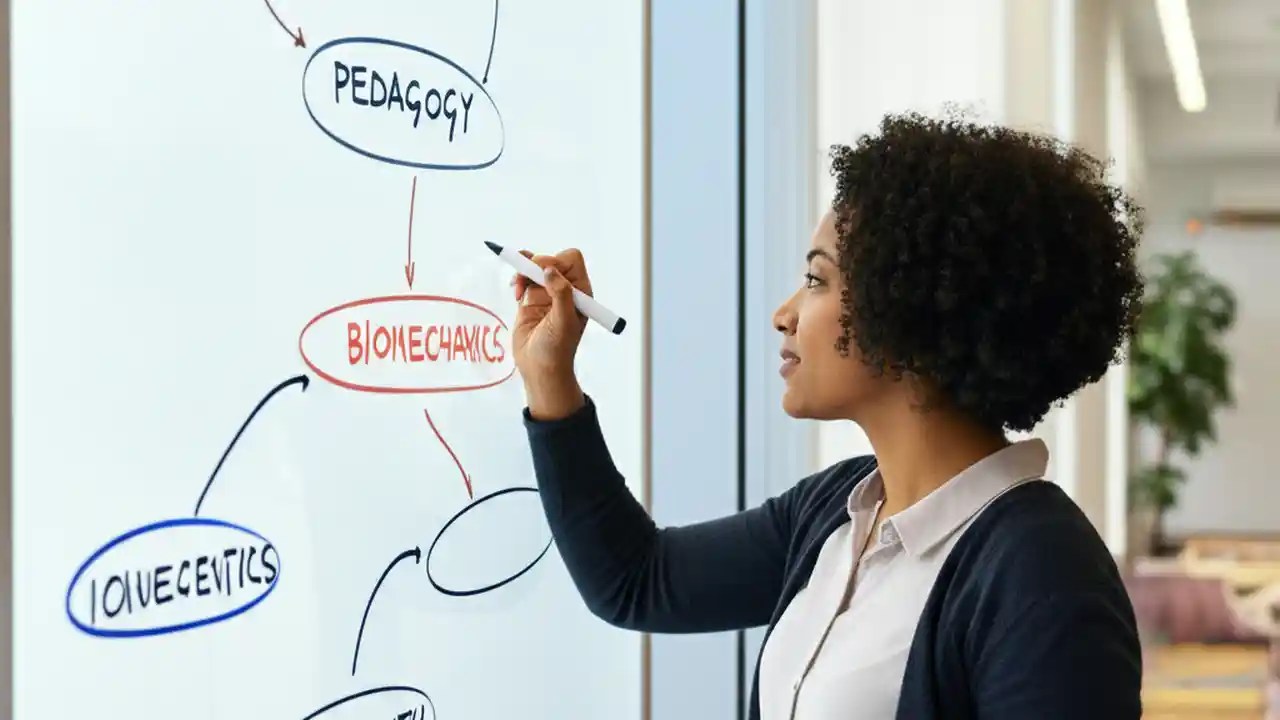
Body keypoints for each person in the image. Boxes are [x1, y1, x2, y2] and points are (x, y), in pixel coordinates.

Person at [509, 111, 1146, 719]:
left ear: (912, 305)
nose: (784, 313)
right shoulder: (838, 510)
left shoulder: (1043, 571)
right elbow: (635, 579)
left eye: (817, 281)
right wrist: (550, 377)